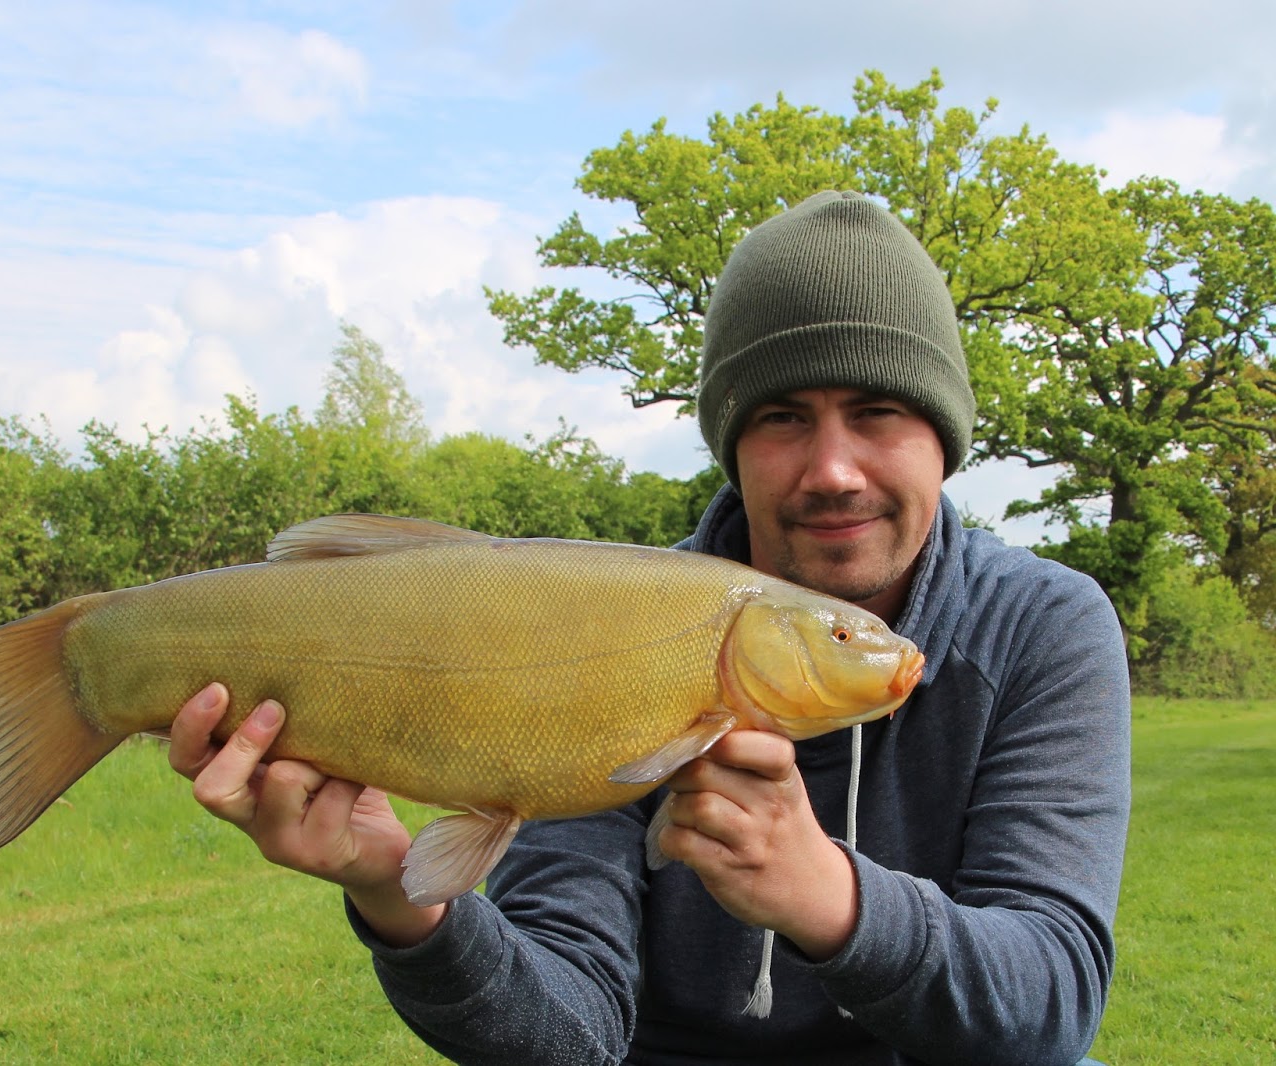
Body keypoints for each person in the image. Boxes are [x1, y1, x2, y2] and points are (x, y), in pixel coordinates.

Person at [166, 190, 1131, 1065]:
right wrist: (399, 899)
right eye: (784, 418)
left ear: (944, 439)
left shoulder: (1041, 626)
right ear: (732, 444)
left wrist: (824, 895)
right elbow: (567, 1035)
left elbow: (1049, 1011)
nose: (833, 468)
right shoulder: (620, 623)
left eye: (878, 411)